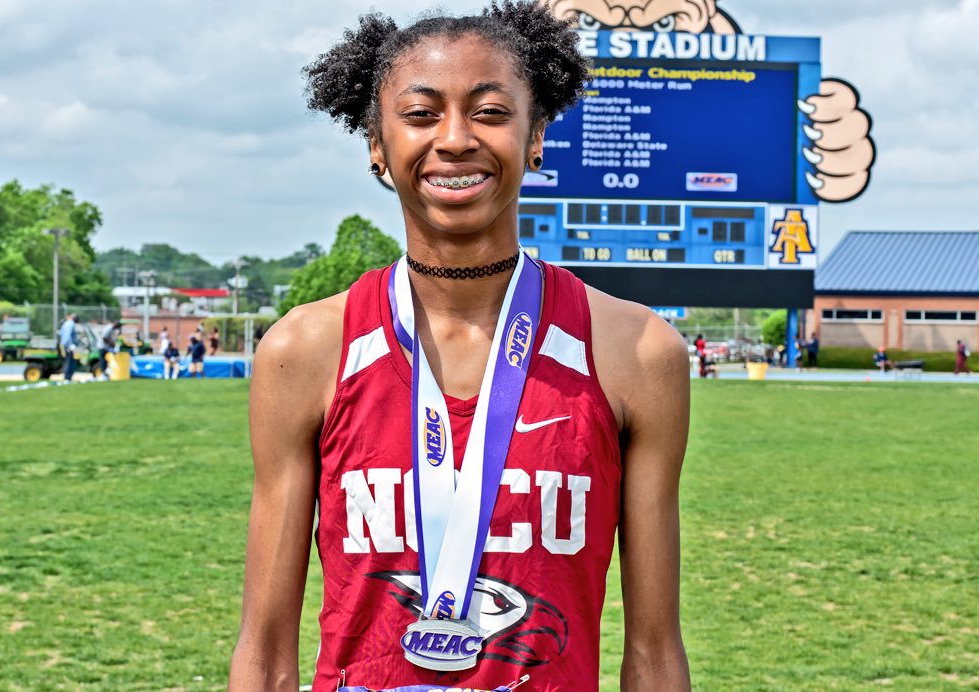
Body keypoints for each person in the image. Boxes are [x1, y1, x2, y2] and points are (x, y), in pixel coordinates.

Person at [229, 5, 690, 691]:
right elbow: (265, 654)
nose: (454, 139)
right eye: (419, 115)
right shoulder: (306, 349)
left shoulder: (636, 351)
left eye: (491, 113)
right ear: (377, 147)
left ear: (536, 137)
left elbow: (653, 653)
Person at [58, 313, 79, 381]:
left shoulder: (67, 323)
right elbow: (68, 335)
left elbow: (61, 334)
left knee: (69, 360)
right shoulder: (70, 323)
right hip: (68, 345)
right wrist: (70, 345)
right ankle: (67, 377)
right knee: (69, 361)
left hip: (66, 345)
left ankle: (68, 376)